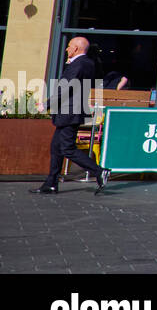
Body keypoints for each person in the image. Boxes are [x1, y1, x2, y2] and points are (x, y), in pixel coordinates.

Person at [32, 37, 110, 195]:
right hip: (72, 112)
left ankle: (99, 171)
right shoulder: (86, 63)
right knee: (56, 147)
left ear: (76, 49)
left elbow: (66, 88)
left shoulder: (80, 64)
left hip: (69, 112)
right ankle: (51, 183)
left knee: (67, 148)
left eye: (69, 46)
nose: (67, 49)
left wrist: (46, 104)